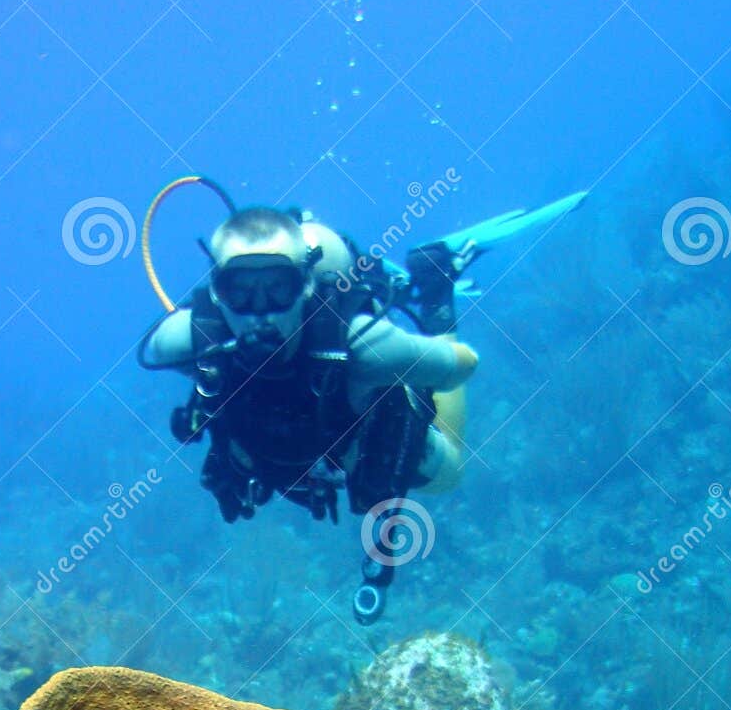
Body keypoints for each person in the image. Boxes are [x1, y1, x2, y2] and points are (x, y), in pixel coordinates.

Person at [139, 205, 479, 532]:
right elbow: (155, 345)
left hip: (358, 438)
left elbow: (463, 363)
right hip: (274, 453)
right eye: (240, 291)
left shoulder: (363, 345)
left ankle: (435, 288)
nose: (260, 312)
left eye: (278, 289)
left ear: (306, 285)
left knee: (448, 475)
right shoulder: (187, 342)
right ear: (217, 292)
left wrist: (407, 363)